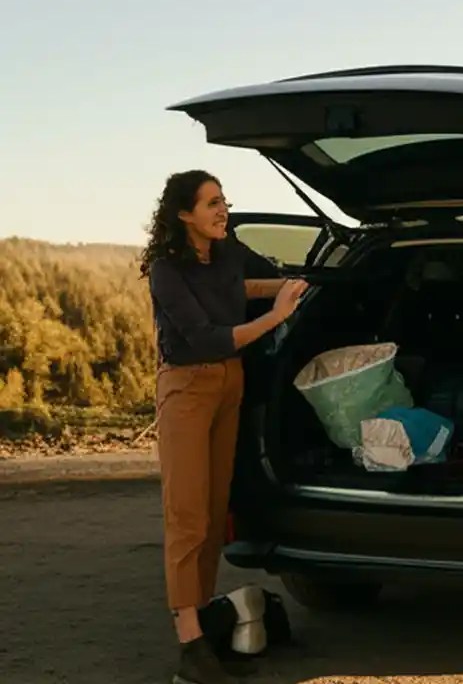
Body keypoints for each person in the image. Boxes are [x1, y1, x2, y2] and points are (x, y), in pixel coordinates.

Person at [142, 170, 308, 683]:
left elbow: (249, 284)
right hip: (188, 389)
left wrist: (302, 284)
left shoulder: (228, 253)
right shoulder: (165, 270)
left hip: (229, 386)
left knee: (214, 513)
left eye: (223, 200)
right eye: (212, 203)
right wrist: (275, 317)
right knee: (187, 514)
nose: (222, 210)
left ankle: (205, 627)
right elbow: (208, 337)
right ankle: (191, 646)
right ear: (184, 214)